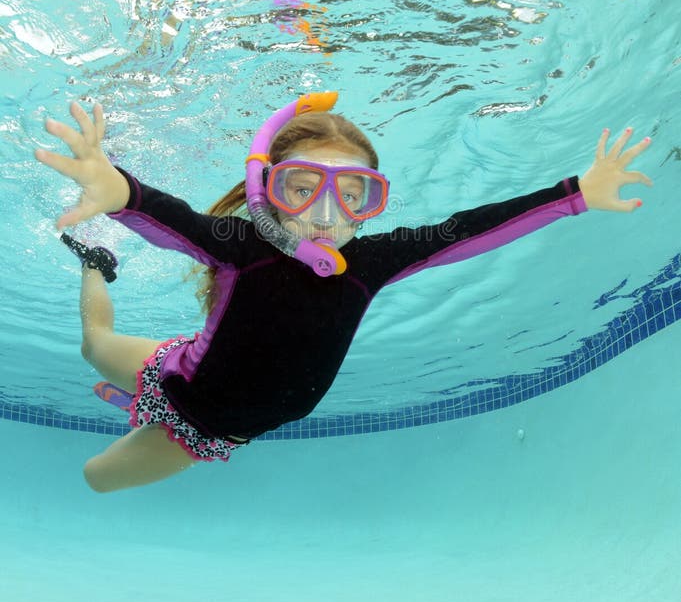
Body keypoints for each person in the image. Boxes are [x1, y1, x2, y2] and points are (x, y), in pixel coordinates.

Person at [34, 93, 652, 493]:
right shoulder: (246, 246)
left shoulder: (371, 263)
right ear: (267, 192)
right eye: (302, 187)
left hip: (203, 428)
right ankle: (96, 266)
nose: (325, 213)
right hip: (183, 375)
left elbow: (467, 230)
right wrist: (119, 192)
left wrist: (576, 193)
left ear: (369, 204)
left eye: (351, 194)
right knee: (95, 347)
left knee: (97, 477)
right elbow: (175, 219)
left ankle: (136, 405)